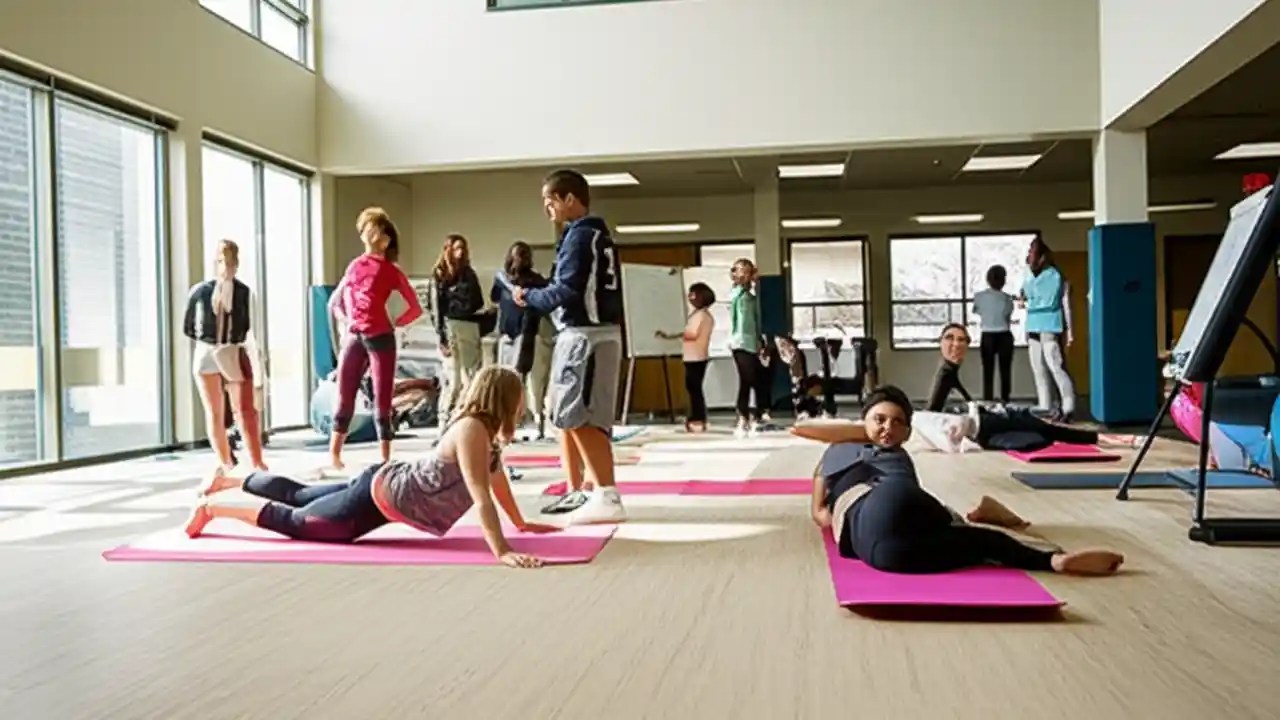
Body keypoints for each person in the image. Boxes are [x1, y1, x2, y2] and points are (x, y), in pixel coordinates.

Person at [184, 366, 557, 569]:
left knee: (298, 495)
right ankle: (213, 507)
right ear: (503, 400)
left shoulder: (484, 434)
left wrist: (521, 523)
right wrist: (502, 550)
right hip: (379, 497)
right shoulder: (472, 430)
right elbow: (481, 497)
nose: (522, 406)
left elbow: (497, 482)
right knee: (299, 522)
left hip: (383, 488)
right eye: (519, 400)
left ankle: (226, 478)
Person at [806, 386, 1125, 576]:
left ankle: (1056, 561)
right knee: (957, 527)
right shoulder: (843, 449)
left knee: (982, 544)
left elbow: (823, 514)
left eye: (897, 422)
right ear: (864, 421)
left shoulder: (901, 456)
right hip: (872, 511)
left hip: (886, 555)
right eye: (879, 420)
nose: (888, 427)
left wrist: (830, 518)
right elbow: (818, 500)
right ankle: (991, 520)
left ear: (907, 432)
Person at [513, 169, 627, 524]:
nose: (548, 208)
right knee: (574, 415)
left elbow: (564, 292)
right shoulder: (598, 236)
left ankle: (605, 494)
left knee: (577, 416)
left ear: (568, 199)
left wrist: (528, 295)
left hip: (585, 336)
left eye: (551, 201)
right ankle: (586, 488)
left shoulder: (580, 237)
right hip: (599, 334)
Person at [327, 207, 423, 470]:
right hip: (355, 336)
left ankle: (384, 457)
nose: (368, 232)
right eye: (366, 227)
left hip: (381, 337)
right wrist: (344, 320)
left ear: (385, 238)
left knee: (382, 399)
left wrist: (396, 323)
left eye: (374, 228)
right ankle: (334, 453)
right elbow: (336, 301)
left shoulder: (391, 270)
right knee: (344, 393)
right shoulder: (354, 266)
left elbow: (415, 306)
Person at [183, 239, 267, 473]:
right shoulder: (201, 292)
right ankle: (225, 462)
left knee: (244, 410)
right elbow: (188, 325)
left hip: (231, 350)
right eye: (222, 261)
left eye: (230, 262)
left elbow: (246, 325)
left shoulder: (242, 292)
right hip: (207, 350)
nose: (226, 267)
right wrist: (207, 337)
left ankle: (256, 460)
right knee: (214, 411)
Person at [492, 240, 554, 437]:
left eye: (523, 255)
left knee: (535, 383)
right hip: (507, 335)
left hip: (530, 334)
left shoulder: (536, 281)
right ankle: (510, 424)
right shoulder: (503, 281)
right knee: (508, 382)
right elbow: (494, 299)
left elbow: (547, 303)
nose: (519, 260)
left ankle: (538, 422)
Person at [432, 234, 486, 427]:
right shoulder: (440, 274)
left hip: (468, 325)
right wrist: (441, 336)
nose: (460, 252)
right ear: (447, 250)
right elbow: (436, 307)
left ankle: (464, 419)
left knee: (471, 377)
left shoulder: (469, 274)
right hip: (450, 326)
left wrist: (465, 306)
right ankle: (444, 421)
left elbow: (478, 300)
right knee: (452, 379)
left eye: (463, 248)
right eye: (456, 248)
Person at [1020, 238, 1076, 422]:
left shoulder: (1054, 275)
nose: (1029, 256)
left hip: (1049, 325)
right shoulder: (1028, 275)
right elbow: (1026, 295)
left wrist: (1070, 331)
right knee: (1038, 367)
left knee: (1055, 366)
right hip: (1032, 325)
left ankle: (1068, 406)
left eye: (1032, 252)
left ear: (1042, 257)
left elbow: (1055, 303)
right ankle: (1045, 403)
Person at [656, 282, 716, 433]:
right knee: (693, 388)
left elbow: (691, 334)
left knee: (694, 388)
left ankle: (698, 418)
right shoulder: (699, 315)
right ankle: (697, 417)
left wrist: (671, 336)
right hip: (693, 355)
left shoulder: (701, 315)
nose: (690, 297)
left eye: (693, 294)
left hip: (696, 356)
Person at [728, 257, 771, 437]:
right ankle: (743, 416)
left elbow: (758, 321)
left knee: (756, 379)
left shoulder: (753, 298)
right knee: (747, 379)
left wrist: (762, 343)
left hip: (754, 343)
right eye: (740, 270)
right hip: (739, 343)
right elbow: (735, 306)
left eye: (747, 271)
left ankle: (757, 414)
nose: (744, 274)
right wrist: (741, 281)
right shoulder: (736, 294)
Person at [972, 264, 1015, 404]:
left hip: (987, 335)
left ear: (988, 279)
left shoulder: (979, 297)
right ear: (1003, 280)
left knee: (988, 372)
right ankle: (1005, 400)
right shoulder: (1007, 298)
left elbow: (976, 311)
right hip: (1004, 334)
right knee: (1005, 371)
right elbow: (1007, 316)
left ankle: (988, 400)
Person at [925, 323, 973, 412]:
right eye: (949, 338)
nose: (956, 344)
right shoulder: (945, 373)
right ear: (940, 342)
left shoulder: (952, 370)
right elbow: (932, 410)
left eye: (961, 339)